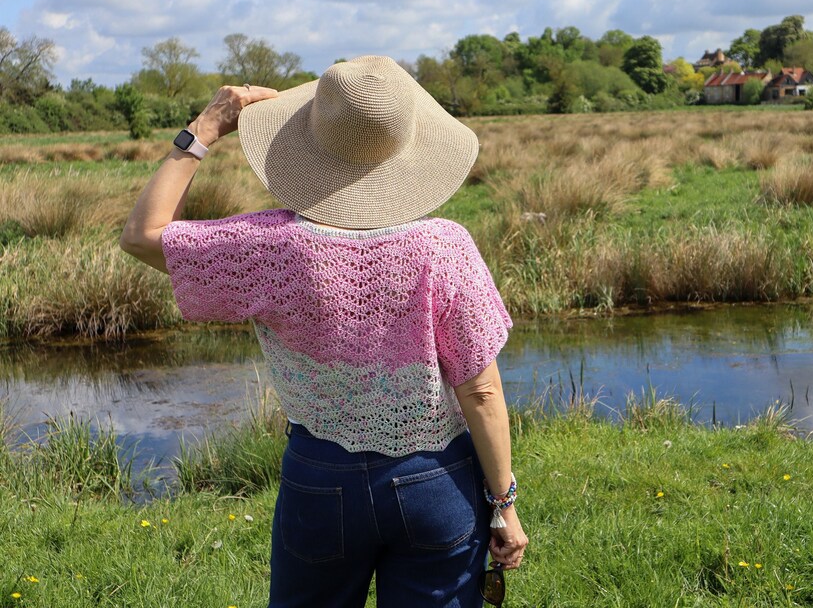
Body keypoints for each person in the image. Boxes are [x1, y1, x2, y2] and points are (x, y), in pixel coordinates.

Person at [120, 56, 528, 607]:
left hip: (320, 478)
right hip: (435, 480)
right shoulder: (445, 246)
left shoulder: (271, 246)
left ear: (310, 143)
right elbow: (480, 392)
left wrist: (204, 130)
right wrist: (503, 503)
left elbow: (142, 235)